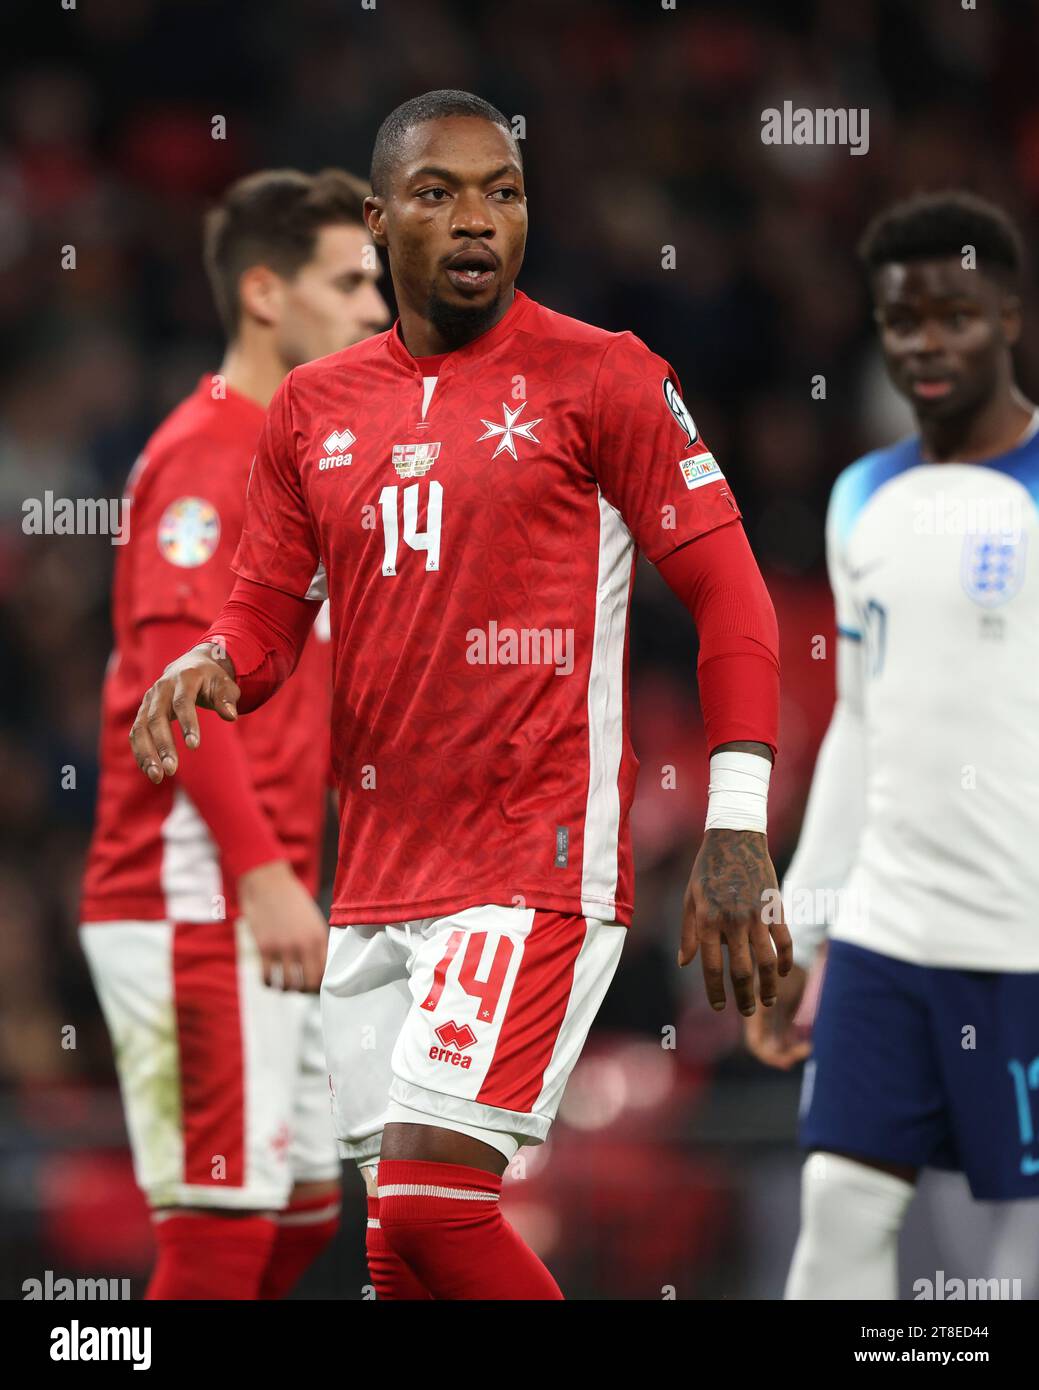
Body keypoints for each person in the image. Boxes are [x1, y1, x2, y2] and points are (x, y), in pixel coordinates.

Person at [129, 89, 786, 1301]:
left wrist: (736, 814)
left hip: (531, 864)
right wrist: (212, 658)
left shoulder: (605, 377)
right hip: (375, 882)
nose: (478, 219)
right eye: (439, 194)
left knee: (436, 1207)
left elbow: (734, 597)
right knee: (395, 1255)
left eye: (504, 191)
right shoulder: (314, 411)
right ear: (379, 222)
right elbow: (266, 617)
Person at [80, 168, 389, 1299]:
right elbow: (182, 696)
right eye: (349, 282)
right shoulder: (213, 457)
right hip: (190, 897)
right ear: (266, 293)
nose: (375, 310)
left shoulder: (293, 453)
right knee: (216, 1235)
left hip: (258, 892)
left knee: (303, 1205)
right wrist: (261, 876)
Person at [746, 191, 1039, 1299]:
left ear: (1007, 315)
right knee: (838, 1206)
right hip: (887, 935)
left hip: (1022, 939)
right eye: (900, 319)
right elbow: (859, 730)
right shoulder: (858, 499)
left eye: (953, 315)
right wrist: (805, 933)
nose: (924, 342)